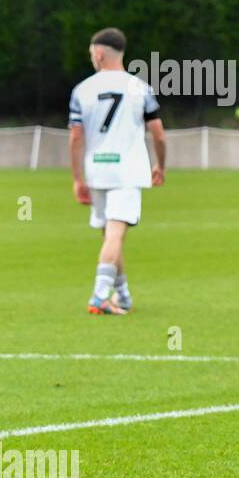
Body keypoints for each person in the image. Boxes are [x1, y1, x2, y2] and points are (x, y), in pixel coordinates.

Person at [68, 28, 166, 315]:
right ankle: (99, 296)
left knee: (110, 234)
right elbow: (158, 134)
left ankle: (122, 295)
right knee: (114, 234)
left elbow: (76, 138)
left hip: (97, 169)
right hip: (127, 171)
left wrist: (77, 178)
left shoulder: (82, 90)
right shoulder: (139, 88)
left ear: (99, 54)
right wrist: (160, 164)